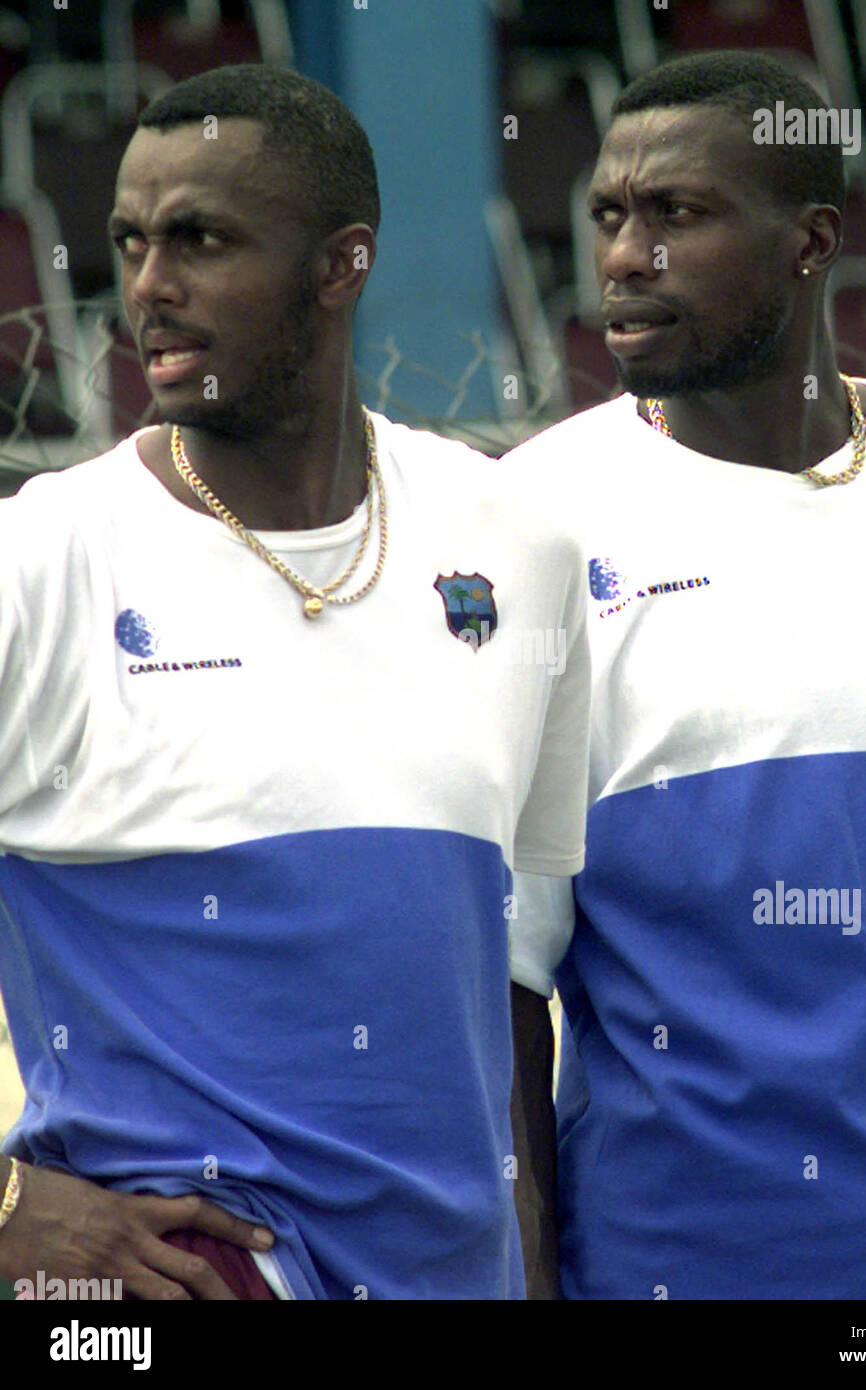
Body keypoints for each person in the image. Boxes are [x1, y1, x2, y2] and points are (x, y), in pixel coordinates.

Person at [0, 63, 590, 1301]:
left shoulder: (515, 546)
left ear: (341, 265)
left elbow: (504, 989)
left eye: (199, 241)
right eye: (129, 241)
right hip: (171, 1278)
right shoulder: (39, 561)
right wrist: (11, 1203)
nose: (146, 289)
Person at [506, 50, 866, 1300]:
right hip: (677, 1260)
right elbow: (504, 990)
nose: (622, 257)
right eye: (607, 218)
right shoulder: (531, 524)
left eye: (674, 215)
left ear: (811, 242)